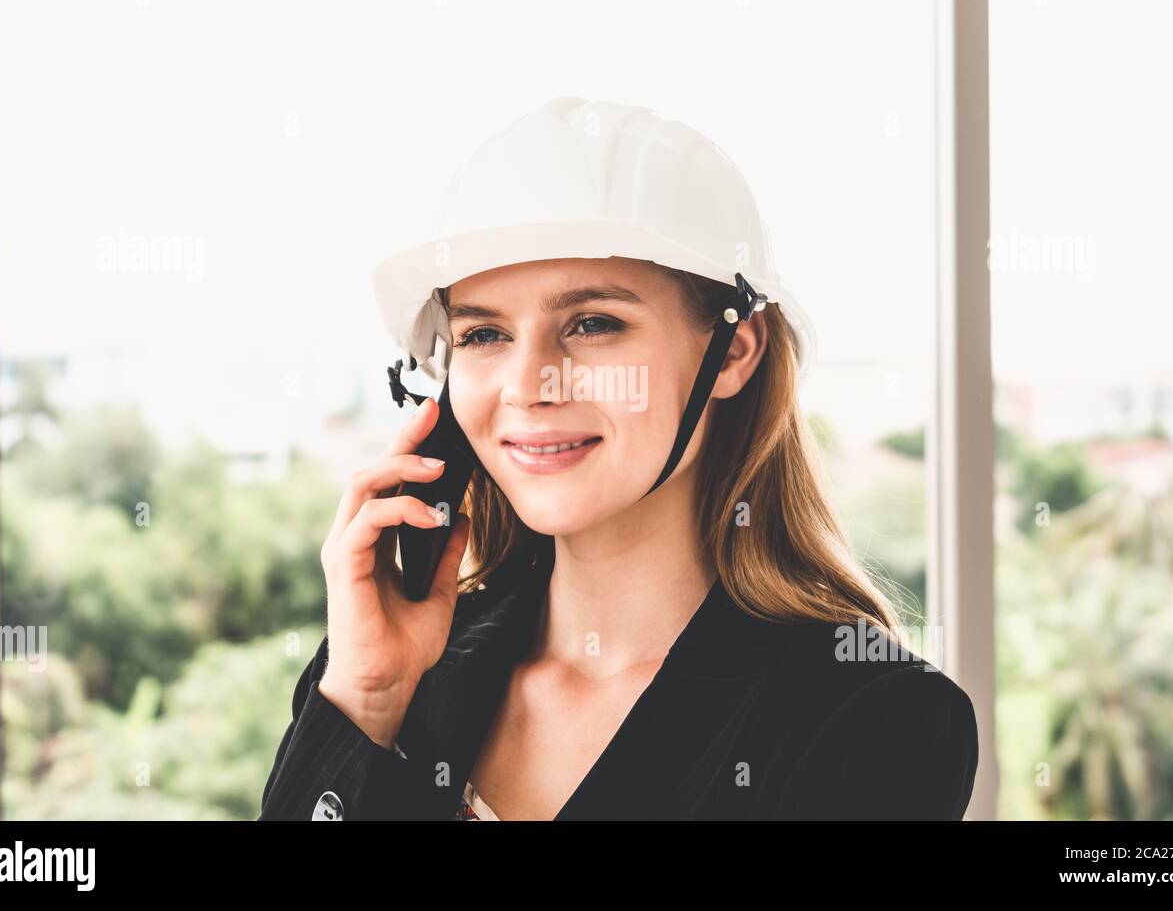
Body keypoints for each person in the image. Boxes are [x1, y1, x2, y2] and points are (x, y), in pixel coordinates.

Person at [259, 97, 979, 821]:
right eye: (483, 335)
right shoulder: (382, 678)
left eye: (593, 323)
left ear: (734, 350)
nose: (529, 384)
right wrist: (368, 700)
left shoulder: (874, 720)